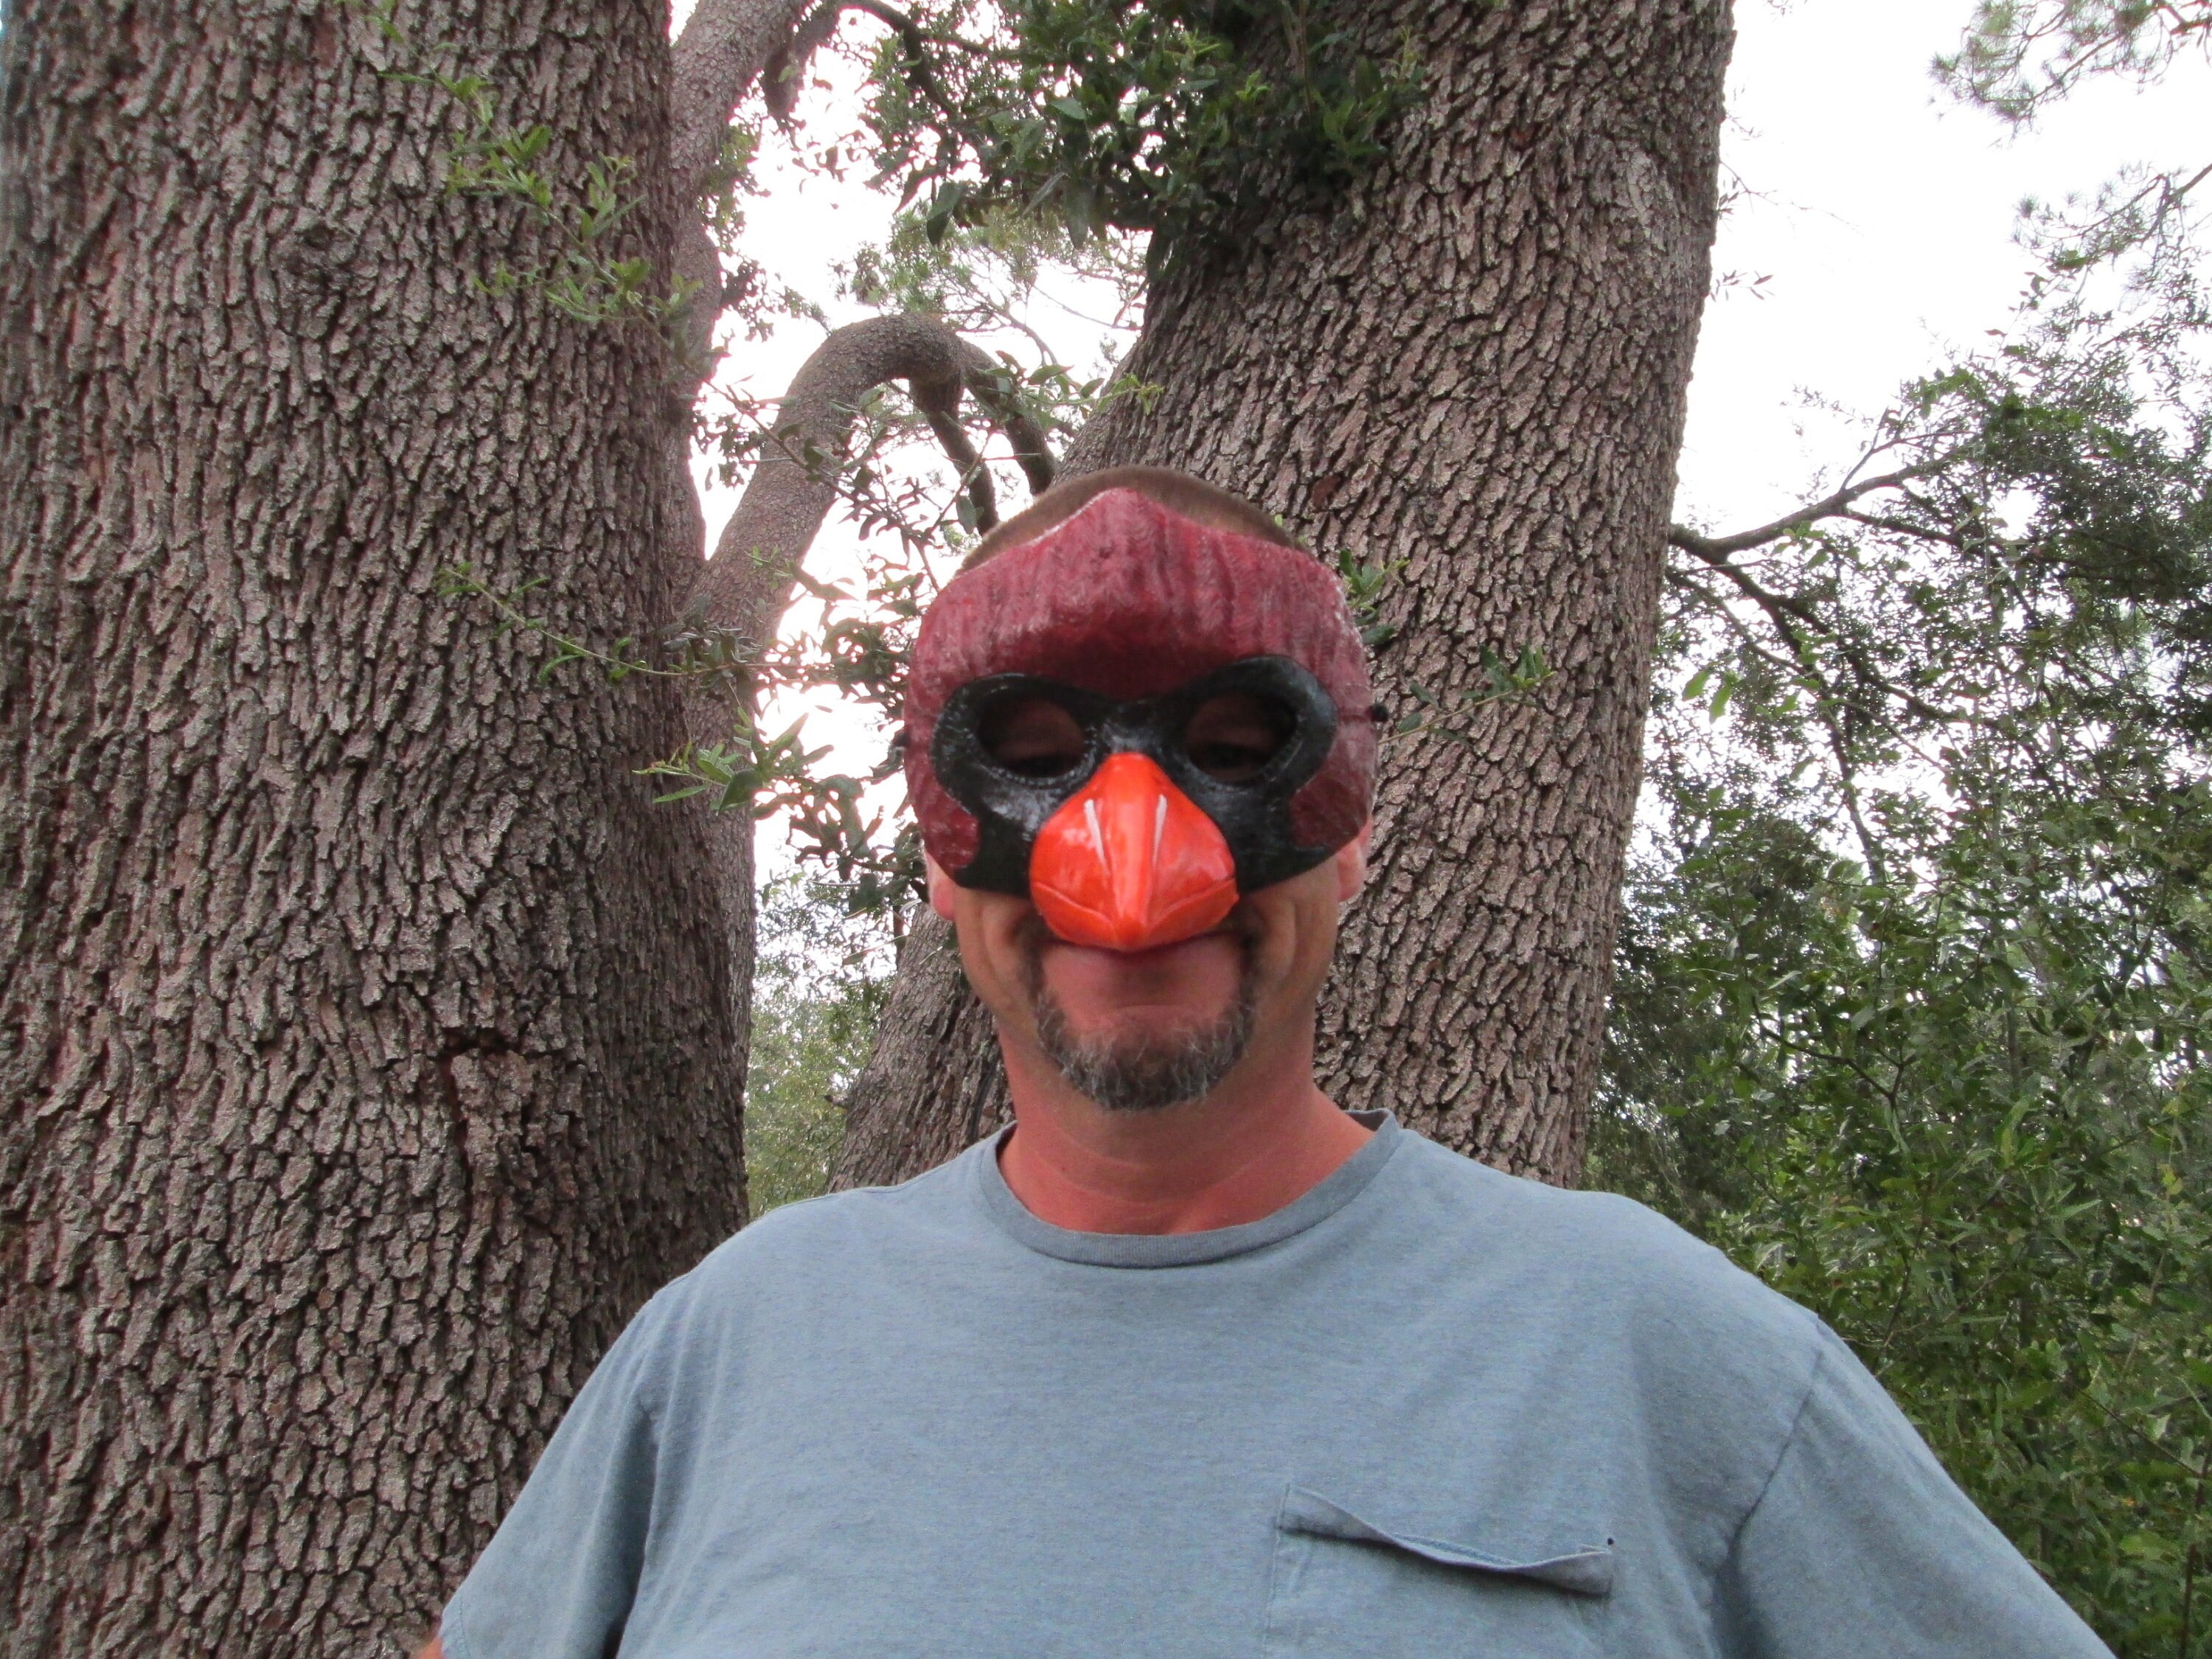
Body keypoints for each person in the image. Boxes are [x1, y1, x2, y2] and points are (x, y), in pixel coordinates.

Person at [422, 467, 2112, 1658]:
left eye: (1242, 750)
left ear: (1352, 836)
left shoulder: (1656, 1349)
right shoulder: (732, 1339)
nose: (1136, 865)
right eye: (1026, 756)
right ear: (944, 858)